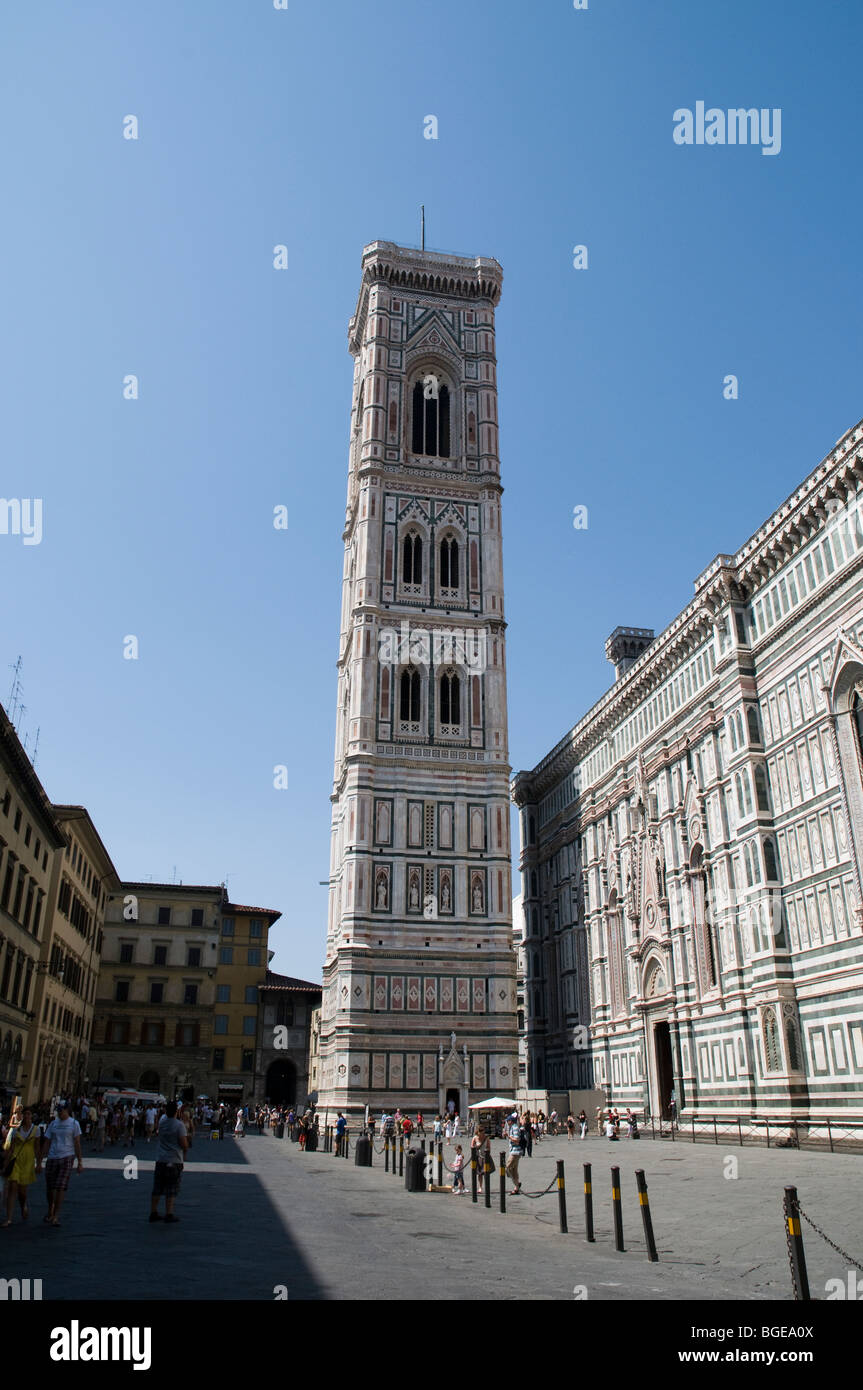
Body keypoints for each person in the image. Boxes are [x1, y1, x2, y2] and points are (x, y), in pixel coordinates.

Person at [38, 1101, 83, 1227]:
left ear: (67, 1110)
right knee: (50, 1187)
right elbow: (46, 1142)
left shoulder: (74, 1124)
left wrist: (80, 1161)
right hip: (52, 1157)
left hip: (67, 1157)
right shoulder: (53, 1123)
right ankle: (50, 1209)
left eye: (61, 1110)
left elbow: (77, 1143)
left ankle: (56, 1215)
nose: (59, 1112)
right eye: (58, 1110)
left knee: (61, 1187)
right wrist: (39, 1161)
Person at [150, 1101, 188, 1223]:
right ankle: (169, 1213)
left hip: (161, 1159)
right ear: (177, 1111)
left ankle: (153, 1212)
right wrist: (186, 1148)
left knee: (157, 1187)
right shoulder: (179, 1125)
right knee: (171, 1187)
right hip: (174, 1159)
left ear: (166, 1111)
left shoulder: (162, 1123)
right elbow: (183, 1143)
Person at [2, 1106, 39, 1226]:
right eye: (25, 1114)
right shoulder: (16, 1130)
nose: (27, 1116)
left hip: (27, 1161)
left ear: (31, 1116)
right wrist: (6, 1163)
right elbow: (11, 1148)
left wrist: (39, 1163)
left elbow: (37, 1147)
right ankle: (9, 1218)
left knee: (22, 1192)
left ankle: (23, 1206)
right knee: (12, 1187)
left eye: (29, 1114)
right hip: (16, 1159)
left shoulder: (36, 1130)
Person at [505, 1112, 524, 1195]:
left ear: (511, 1121)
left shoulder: (515, 1127)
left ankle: (516, 1184)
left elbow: (517, 1140)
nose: (507, 1122)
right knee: (514, 1170)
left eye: (508, 1121)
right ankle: (516, 1186)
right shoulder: (513, 1127)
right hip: (514, 1151)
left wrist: (509, 1136)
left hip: (515, 1152)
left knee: (507, 1168)